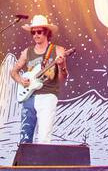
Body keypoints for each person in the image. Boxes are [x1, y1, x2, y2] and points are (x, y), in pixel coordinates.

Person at [11, 15, 68, 144]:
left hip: (48, 96)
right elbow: (13, 71)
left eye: (39, 32)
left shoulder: (58, 50)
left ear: (47, 32)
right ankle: (24, 164)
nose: (36, 35)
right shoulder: (27, 51)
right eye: (33, 32)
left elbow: (62, 78)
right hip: (29, 97)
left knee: (43, 138)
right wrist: (21, 80)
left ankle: (40, 163)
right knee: (25, 138)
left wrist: (62, 65)